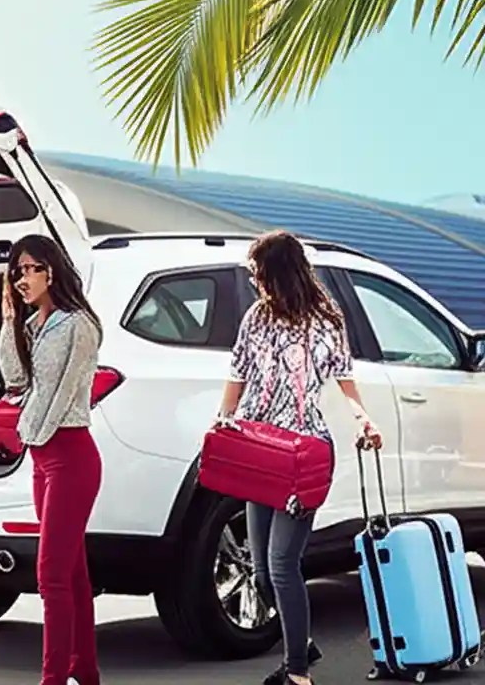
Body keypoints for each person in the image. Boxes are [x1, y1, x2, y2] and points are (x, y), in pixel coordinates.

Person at [216, 230, 384, 685]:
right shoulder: (256, 318)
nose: (253, 281)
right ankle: (301, 642)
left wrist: (363, 420)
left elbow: (346, 382)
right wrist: (223, 421)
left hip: (302, 455)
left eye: (257, 272)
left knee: (282, 564)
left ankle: (297, 673)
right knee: (264, 573)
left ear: (277, 272)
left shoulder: (326, 321)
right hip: (258, 451)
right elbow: (238, 372)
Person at [0, 234, 104, 685]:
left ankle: (53, 679)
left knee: (50, 577)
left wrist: (31, 430)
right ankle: (85, 669)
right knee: (73, 574)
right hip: (44, 460)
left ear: (51, 270)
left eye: (29, 269)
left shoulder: (79, 324)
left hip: (72, 456)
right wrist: (8, 321)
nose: (22, 279)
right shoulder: (33, 324)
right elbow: (16, 379)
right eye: (16, 271)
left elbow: (64, 391)